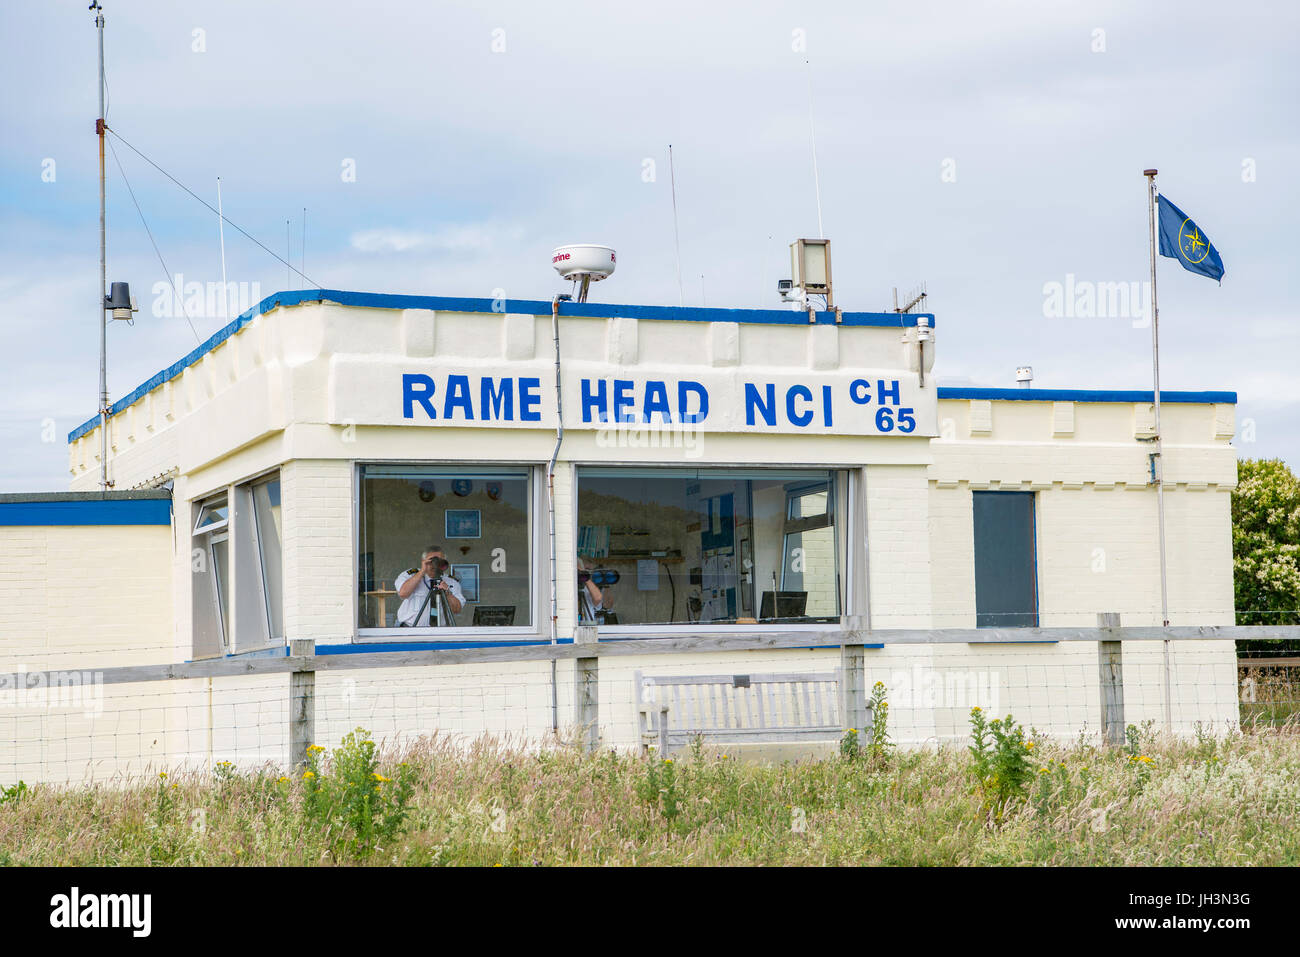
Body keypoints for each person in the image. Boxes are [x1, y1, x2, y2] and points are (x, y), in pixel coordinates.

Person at [395, 545, 464, 627]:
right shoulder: (410, 575)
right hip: (410, 629)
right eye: (432, 560)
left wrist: (447, 592)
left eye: (440, 561)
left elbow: (457, 609)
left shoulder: (451, 582)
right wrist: (422, 571)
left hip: (440, 631)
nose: (435, 564)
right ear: (423, 561)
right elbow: (403, 593)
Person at [577, 555, 614, 624]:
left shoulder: (587, 588)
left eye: (590, 571)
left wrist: (584, 576)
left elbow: (598, 598)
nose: (589, 573)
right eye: (587, 570)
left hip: (586, 627)